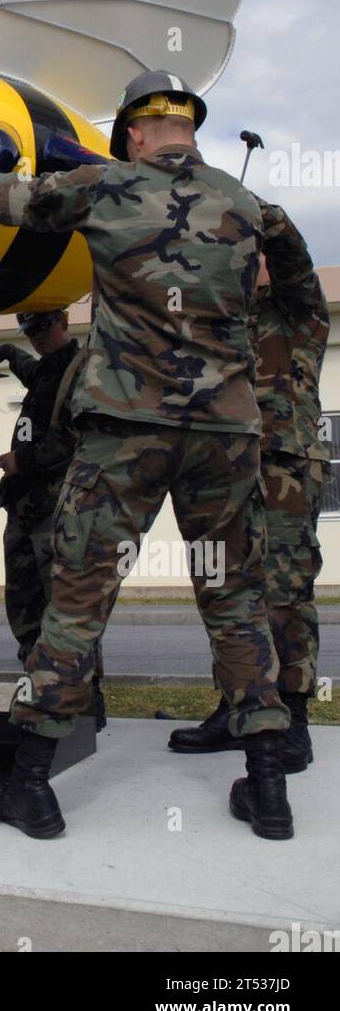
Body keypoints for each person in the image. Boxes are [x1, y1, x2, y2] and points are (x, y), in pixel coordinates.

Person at [0, 70, 292, 842]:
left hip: (128, 430)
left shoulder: (105, 186)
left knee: (80, 597)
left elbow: (12, 200)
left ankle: (30, 785)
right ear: (190, 126)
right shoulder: (252, 204)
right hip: (224, 435)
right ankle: (267, 787)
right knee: (235, 600)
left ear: (131, 131)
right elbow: (289, 291)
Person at [169, 204, 329, 773]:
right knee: (229, 592)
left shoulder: (298, 313)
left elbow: (294, 261)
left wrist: (247, 210)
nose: (248, 262)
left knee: (285, 595)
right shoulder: (223, 320)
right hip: (224, 469)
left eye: (254, 255)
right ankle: (238, 707)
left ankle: (295, 717)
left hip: (283, 467)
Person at [0, 310, 105, 726]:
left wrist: (25, 459)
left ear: (60, 323)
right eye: (29, 332)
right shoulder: (44, 370)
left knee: (64, 606)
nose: (36, 338)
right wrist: (2, 350)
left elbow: (77, 434)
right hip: (25, 507)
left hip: (57, 510)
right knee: (24, 604)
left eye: (41, 328)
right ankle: (38, 690)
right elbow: (28, 367)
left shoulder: (80, 369)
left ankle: (85, 700)